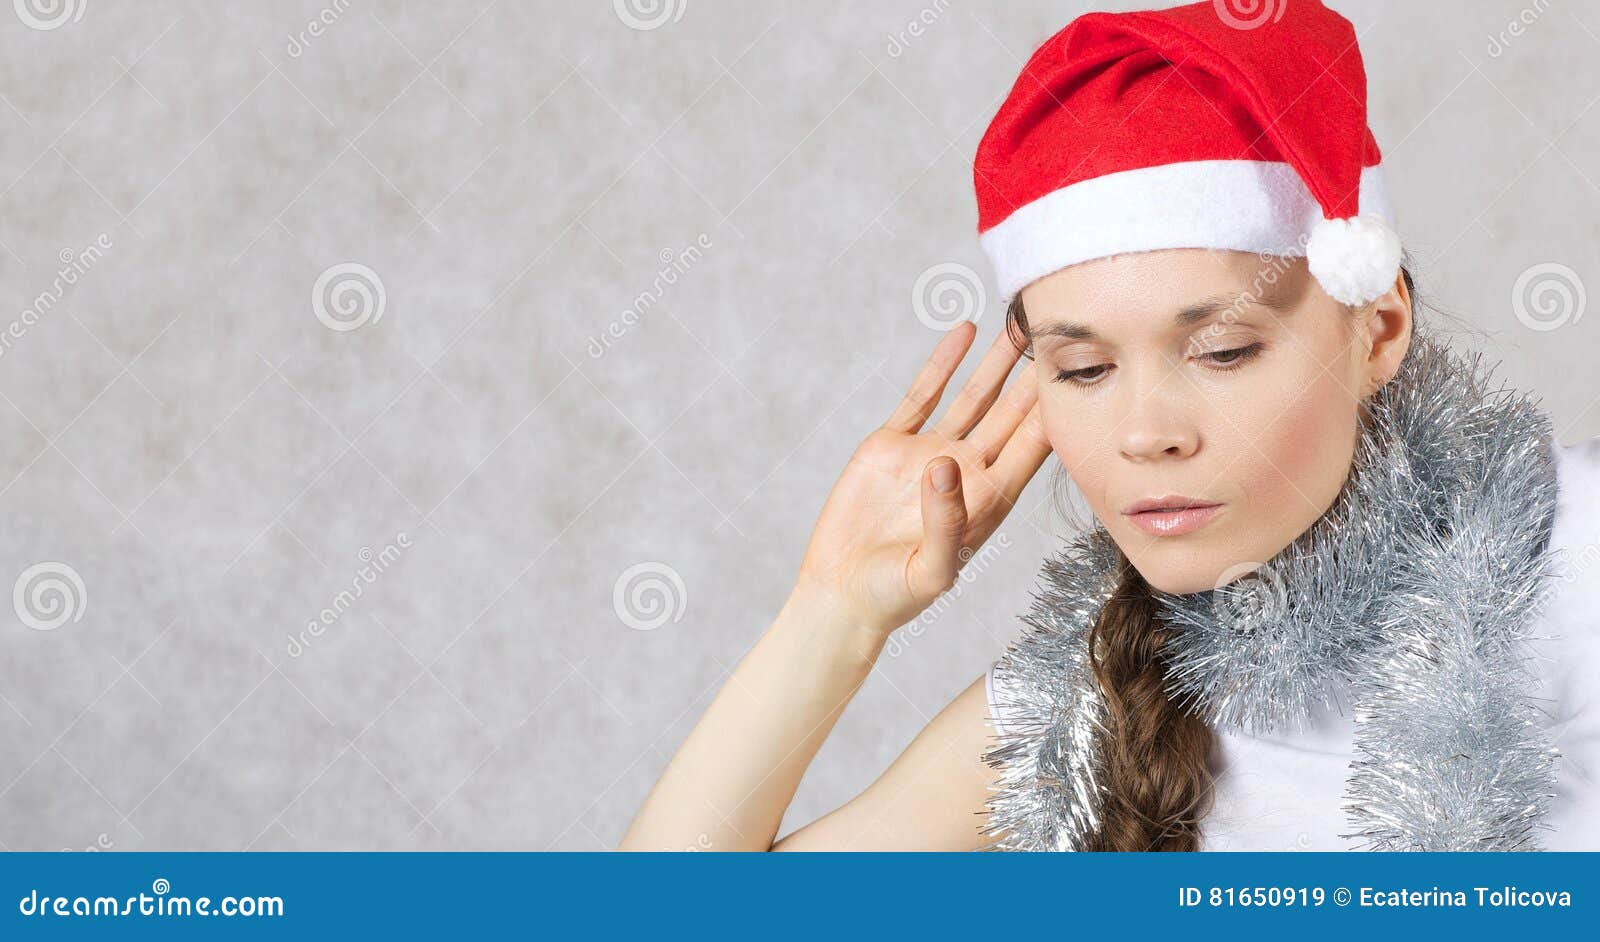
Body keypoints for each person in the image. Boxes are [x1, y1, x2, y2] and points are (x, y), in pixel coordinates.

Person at [618, 0, 1600, 852]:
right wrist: (833, 612)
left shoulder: (1572, 565)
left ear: (1375, 329)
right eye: (1082, 368)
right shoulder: (1090, 693)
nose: (1146, 434)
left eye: (1219, 352)